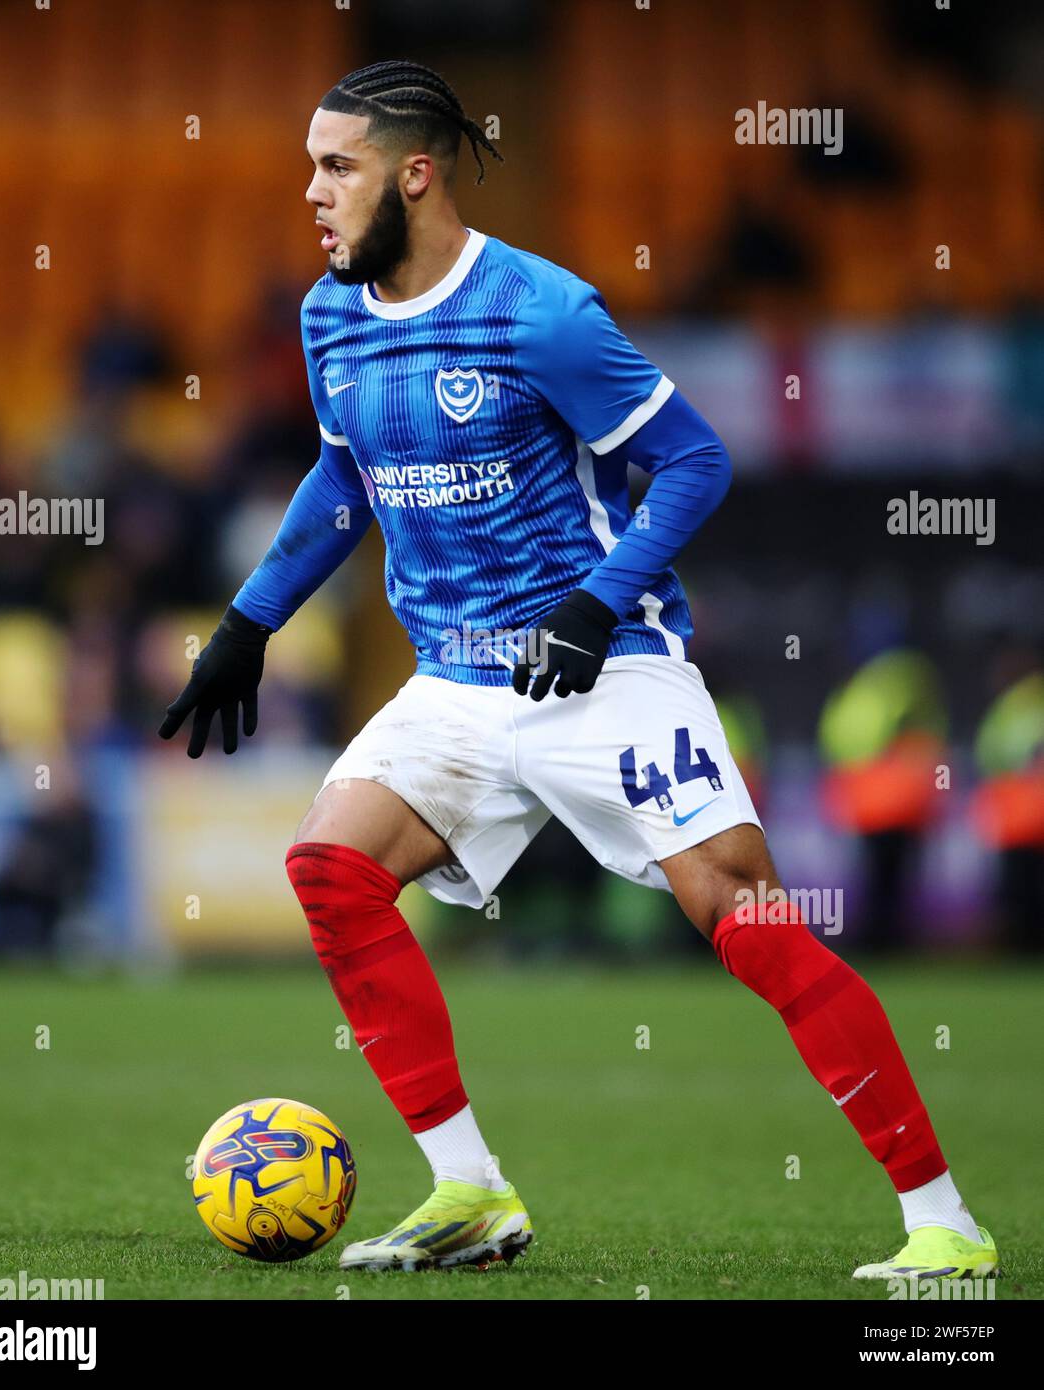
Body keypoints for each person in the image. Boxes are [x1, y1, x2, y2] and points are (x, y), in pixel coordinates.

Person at [160, 60, 998, 1282]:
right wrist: (250, 619)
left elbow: (695, 461)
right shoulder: (328, 314)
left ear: (416, 173)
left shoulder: (541, 312)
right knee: (330, 871)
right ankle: (471, 1191)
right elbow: (345, 478)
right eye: (311, 166)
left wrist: (600, 605)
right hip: (453, 678)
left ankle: (945, 1223)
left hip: (602, 673)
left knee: (747, 917)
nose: (313, 192)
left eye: (335, 166)